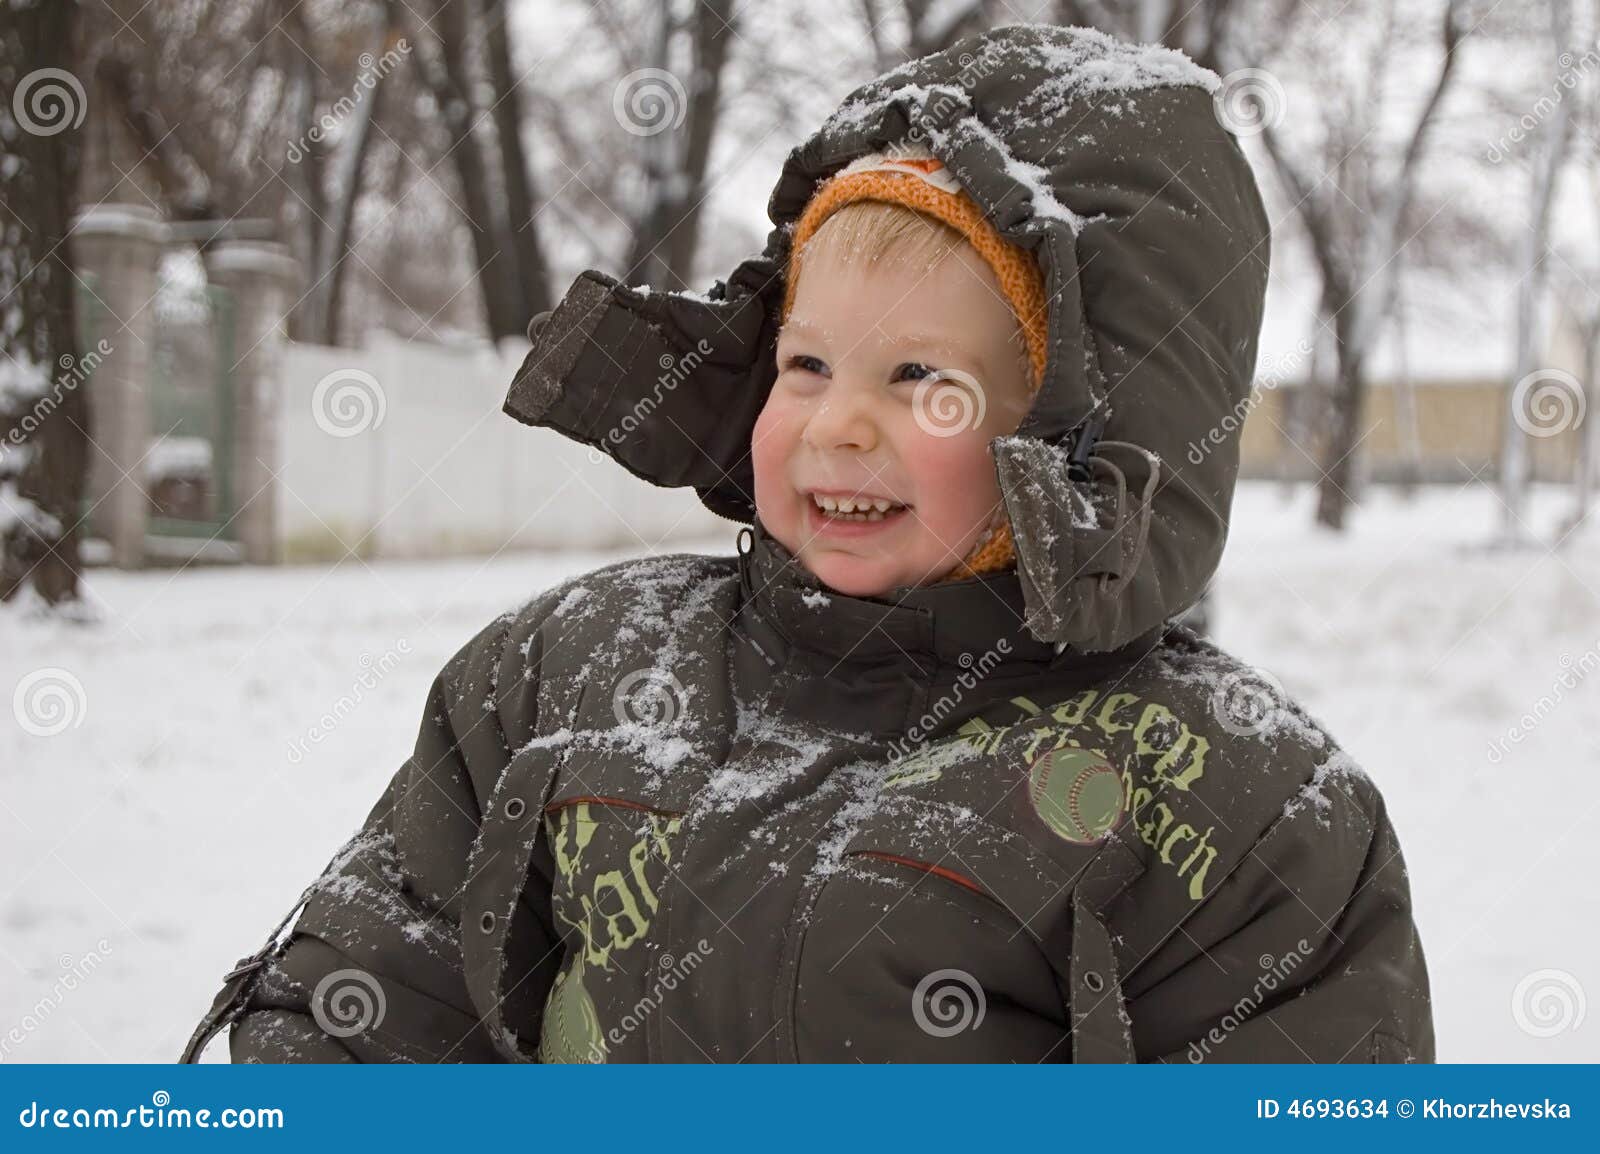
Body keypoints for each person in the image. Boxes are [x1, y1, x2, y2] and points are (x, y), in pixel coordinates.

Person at [183, 22, 1434, 1064]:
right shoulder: (567, 669)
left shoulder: (1237, 806)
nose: (839, 423)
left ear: (1074, 436)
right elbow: (369, 1001)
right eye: (807, 360)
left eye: (918, 379)